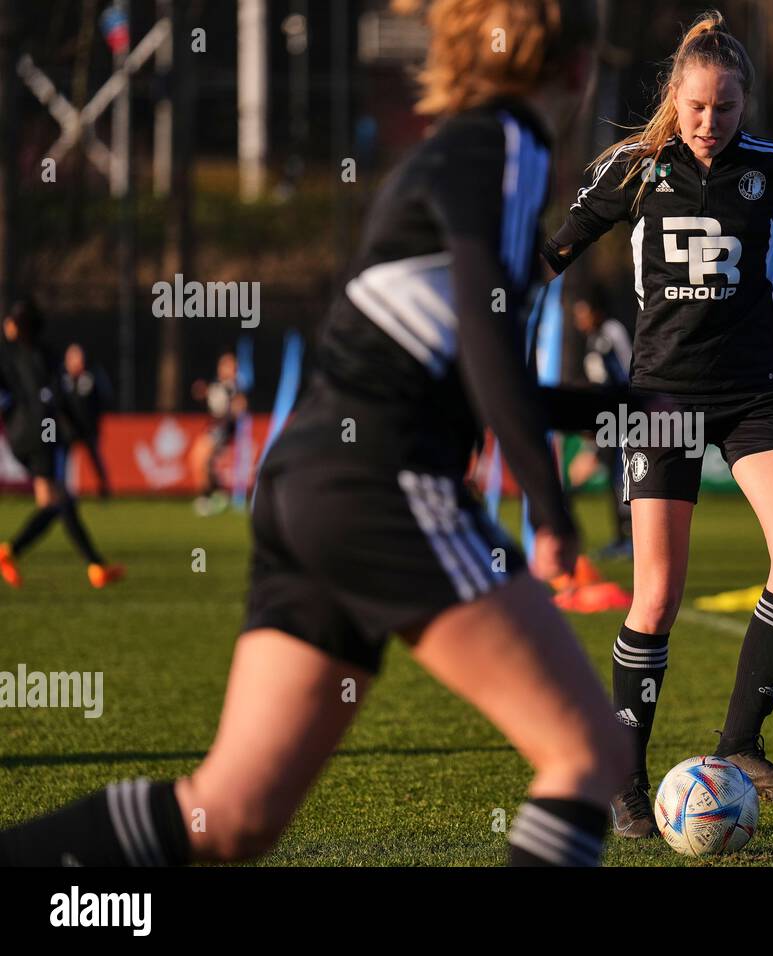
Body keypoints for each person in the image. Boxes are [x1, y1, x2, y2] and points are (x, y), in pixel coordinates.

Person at [0, 0, 632, 868]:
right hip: (379, 480)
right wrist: (554, 512)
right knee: (587, 752)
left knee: (227, 816)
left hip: (305, 480)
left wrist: (631, 407)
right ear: (576, 67)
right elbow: (490, 347)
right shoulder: (507, 145)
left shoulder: (458, 148)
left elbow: (481, 371)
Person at [541, 11, 773, 838]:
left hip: (753, 393)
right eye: (698, 108)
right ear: (675, 97)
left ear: (747, 102)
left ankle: (741, 743)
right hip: (662, 400)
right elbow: (555, 251)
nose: (711, 124)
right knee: (657, 597)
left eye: (727, 109)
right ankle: (623, 777)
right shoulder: (634, 168)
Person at [0, 300, 124, 590]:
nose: (6, 324)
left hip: (19, 435)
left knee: (60, 502)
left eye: (10, 321)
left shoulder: (8, 356)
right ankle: (10, 551)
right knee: (58, 503)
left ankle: (96, 566)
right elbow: (58, 398)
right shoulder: (44, 356)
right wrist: (76, 428)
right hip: (42, 432)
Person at [573, 291, 634, 558]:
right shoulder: (593, 339)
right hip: (606, 418)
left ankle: (631, 538)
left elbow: (623, 373)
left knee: (623, 478)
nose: (580, 320)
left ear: (597, 311)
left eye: (584, 313)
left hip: (621, 417)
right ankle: (621, 538)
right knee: (614, 478)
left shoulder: (610, 333)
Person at [188, 351, 246, 516]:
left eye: (230, 365)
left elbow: (238, 407)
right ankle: (217, 495)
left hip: (221, 430)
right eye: (224, 365)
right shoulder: (217, 385)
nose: (227, 368)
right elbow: (212, 400)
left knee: (200, 457)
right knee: (202, 461)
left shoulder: (234, 387)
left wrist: (236, 408)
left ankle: (206, 498)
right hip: (212, 428)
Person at [59, 343, 113, 499]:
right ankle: (65, 490)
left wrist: (95, 419)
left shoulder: (92, 376)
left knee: (94, 458)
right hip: (68, 427)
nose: (77, 362)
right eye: (73, 358)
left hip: (89, 427)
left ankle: (103, 489)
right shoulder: (61, 378)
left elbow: (104, 398)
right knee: (66, 460)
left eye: (79, 358)